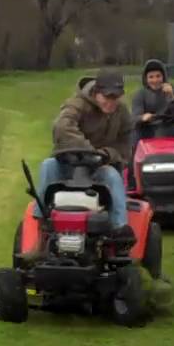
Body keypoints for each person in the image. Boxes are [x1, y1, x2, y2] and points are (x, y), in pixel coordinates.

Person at [33, 68, 136, 242]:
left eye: (115, 98)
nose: (110, 103)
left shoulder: (122, 113)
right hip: (68, 165)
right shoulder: (77, 103)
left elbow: (125, 147)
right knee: (48, 166)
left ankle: (119, 231)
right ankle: (41, 225)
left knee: (112, 176)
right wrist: (88, 150)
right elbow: (63, 127)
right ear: (96, 92)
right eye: (106, 97)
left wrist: (105, 155)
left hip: (100, 167)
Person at [130, 58, 174, 153]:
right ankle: (133, 167)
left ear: (163, 77)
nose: (155, 80)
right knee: (132, 139)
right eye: (151, 77)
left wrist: (172, 98)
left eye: (158, 76)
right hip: (147, 130)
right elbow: (134, 118)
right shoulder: (140, 94)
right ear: (146, 79)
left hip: (169, 128)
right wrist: (143, 118)